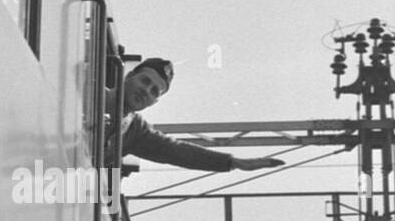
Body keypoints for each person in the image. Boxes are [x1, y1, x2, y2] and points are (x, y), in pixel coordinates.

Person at [119, 58, 285, 172]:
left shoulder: (135, 131)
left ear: (154, 102)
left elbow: (176, 151)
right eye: (145, 81)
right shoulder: (93, 92)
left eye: (154, 91)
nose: (146, 91)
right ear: (129, 76)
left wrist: (232, 162)